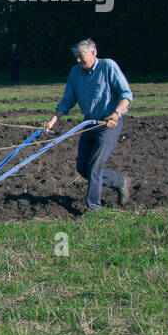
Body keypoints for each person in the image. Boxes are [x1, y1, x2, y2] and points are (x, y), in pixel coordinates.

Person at [44, 38, 133, 213]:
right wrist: (52, 121)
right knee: (83, 167)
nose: (78, 61)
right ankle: (120, 182)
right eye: (76, 57)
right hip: (89, 123)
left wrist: (115, 114)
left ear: (93, 53)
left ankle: (93, 208)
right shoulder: (75, 72)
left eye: (81, 56)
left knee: (95, 164)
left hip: (108, 124)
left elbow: (126, 95)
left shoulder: (108, 66)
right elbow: (67, 100)